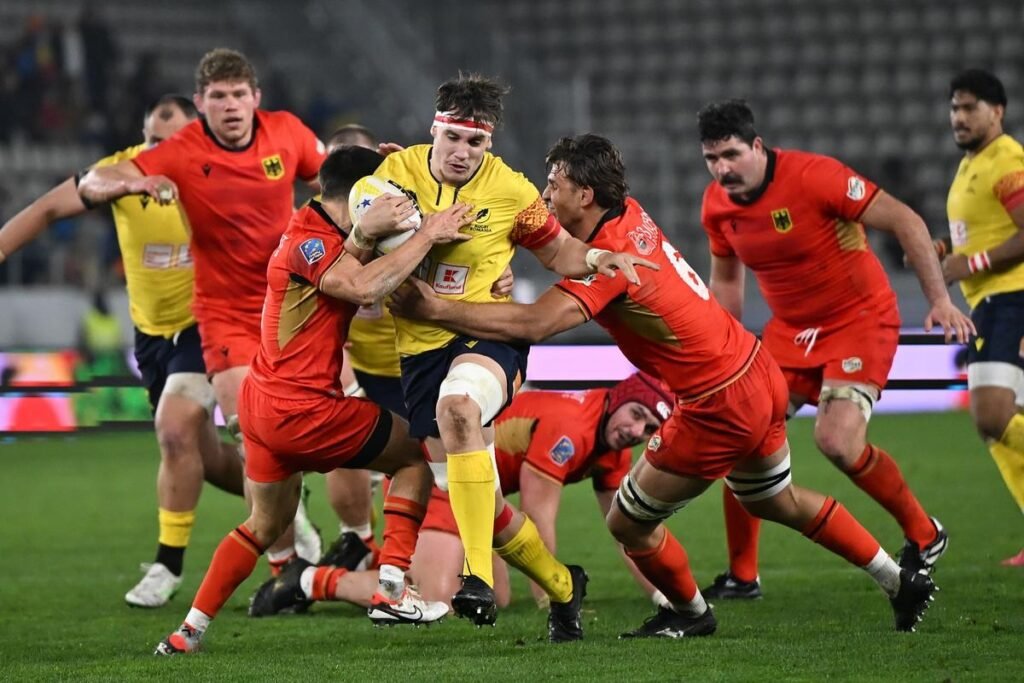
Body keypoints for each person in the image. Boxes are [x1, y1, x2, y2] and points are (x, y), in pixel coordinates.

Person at [390, 133, 938, 637]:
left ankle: (688, 613)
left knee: (626, 521)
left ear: (584, 195)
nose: (543, 195)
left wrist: (435, 307)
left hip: (716, 401)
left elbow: (535, 324)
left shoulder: (607, 264)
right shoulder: (630, 218)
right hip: (756, 368)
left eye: (553, 186)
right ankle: (898, 580)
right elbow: (543, 248)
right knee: (779, 500)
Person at [154, 145, 475, 656]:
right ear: (364, 197)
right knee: (414, 458)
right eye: (387, 195)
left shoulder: (326, 225)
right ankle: (392, 590)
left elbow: (363, 245)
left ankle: (187, 631)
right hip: (302, 408)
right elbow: (364, 287)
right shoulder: (309, 243)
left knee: (263, 525)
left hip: (262, 404)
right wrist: (430, 233)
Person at [374, 73, 651, 633]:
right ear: (434, 131)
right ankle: (564, 587)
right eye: (453, 138)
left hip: (487, 335)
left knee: (459, 408)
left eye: (475, 142)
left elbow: (559, 251)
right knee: (492, 513)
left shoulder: (511, 190)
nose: (463, 152)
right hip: (418, 351)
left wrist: (599, 261)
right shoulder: (395, 174)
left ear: (489, 143)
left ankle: (476, 576)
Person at [694, 100, 974, 599]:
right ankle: (742, 576)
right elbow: (727, 281)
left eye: (731, 155)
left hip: (858, 319)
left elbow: (907, 220)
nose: (722, 170)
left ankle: (925, 534)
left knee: (837, 441)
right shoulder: (716, 205)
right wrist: (723, 353)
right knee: (738, 433)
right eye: (712, 160)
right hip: (790, 333)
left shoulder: (814, 177)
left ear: (757, 146)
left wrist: (939, 302)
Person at [77, 48, 327, 573]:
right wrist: (131, 182)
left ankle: (352, 537)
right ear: (201, 103)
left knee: (326, 429)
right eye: (219, 97)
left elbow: (335, 179)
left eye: (239, 95)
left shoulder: (287, 132)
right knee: (250, 434)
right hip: (225, 316)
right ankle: (286, 569)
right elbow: (90, 183)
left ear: (256, 99)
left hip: (290, 308)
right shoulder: (181, 149)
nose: (231, 106)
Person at [0, 95, 246, 607]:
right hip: (151, 336)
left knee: (174, 433)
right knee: (203, 455)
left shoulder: (222, 172)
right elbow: (52, 205)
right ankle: (284, 505)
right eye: (153, 141)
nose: (160, 151)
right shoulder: (124, 175)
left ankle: (167, 565)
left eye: (172, 142)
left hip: (209, 324)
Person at [249, 373, 673, 615]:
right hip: (448, 484)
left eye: (650, 430)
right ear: (621, 399)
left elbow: (628, 531)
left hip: (486, 503)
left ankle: (388, 559)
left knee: (497, 599)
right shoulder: (572, 427)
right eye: (637, 415)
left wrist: (662, 595)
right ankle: (311, 579)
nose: (637, 433)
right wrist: (553, 597)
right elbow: (538, 516)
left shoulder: (609, 439)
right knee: (439, 601)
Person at [319, 124, 516, 572]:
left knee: (464, 490)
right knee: (344, 459)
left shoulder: (412, 207)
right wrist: (344, 379)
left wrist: (501, 273)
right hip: (361, 372)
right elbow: (336, 300)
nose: (357, 185)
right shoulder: (320, 232)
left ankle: (477, 568)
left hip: (424, 366)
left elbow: (477, 248)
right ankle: (359, 546)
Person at [940, 69, 1024, 567]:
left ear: (998, 111)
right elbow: (986, 234)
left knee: (991, 416)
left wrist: (966, 264)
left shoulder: (1006, 158)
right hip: (989, 302)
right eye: (954, 108)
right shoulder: (971, 166)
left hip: (1011, 297)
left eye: (969, 107)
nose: (959, 117)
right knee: (995, 427)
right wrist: (946, 251)